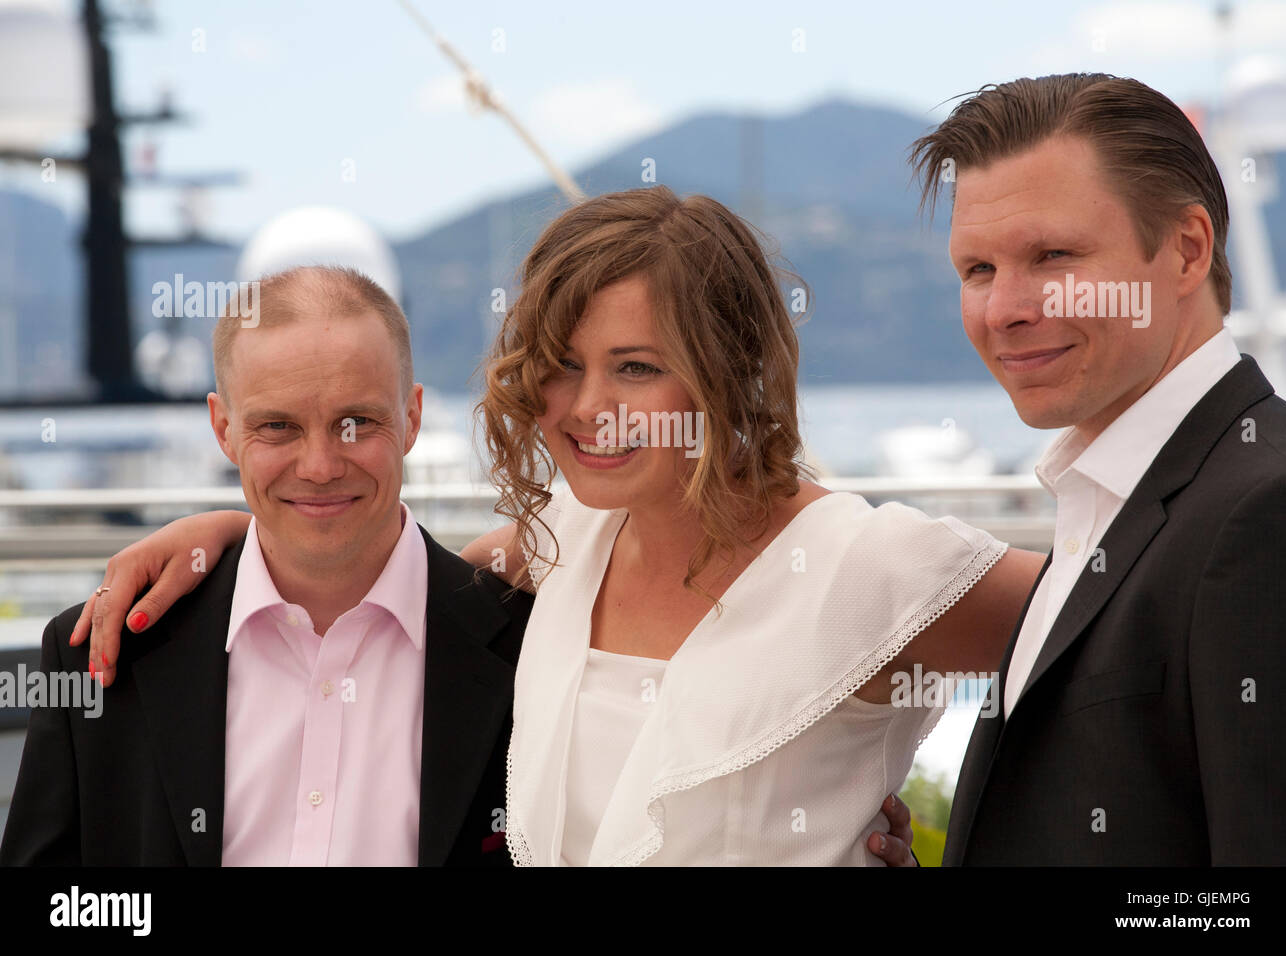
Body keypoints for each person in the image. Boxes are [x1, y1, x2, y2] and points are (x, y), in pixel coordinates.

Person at [60, 189, 1044, 865]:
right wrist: (232, 532)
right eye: (561, 364)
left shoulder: (871, 566)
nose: (587, 406)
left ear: (728, 366)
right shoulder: (562, 548)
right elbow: (372, 563)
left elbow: (1120, 616)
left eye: (634, 364)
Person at [0, 266, 534, 865]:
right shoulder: (100, 656)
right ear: (223, 429)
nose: (320, 465)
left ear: (411, 417)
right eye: (278, 426)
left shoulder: (534, 648)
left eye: (354, 424)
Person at [906, 73, 1286, 865]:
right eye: (977, 269)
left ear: (1188, 250)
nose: (1003, 308)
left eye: (1052, 256)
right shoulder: (1113, 499)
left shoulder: (1270, 510)